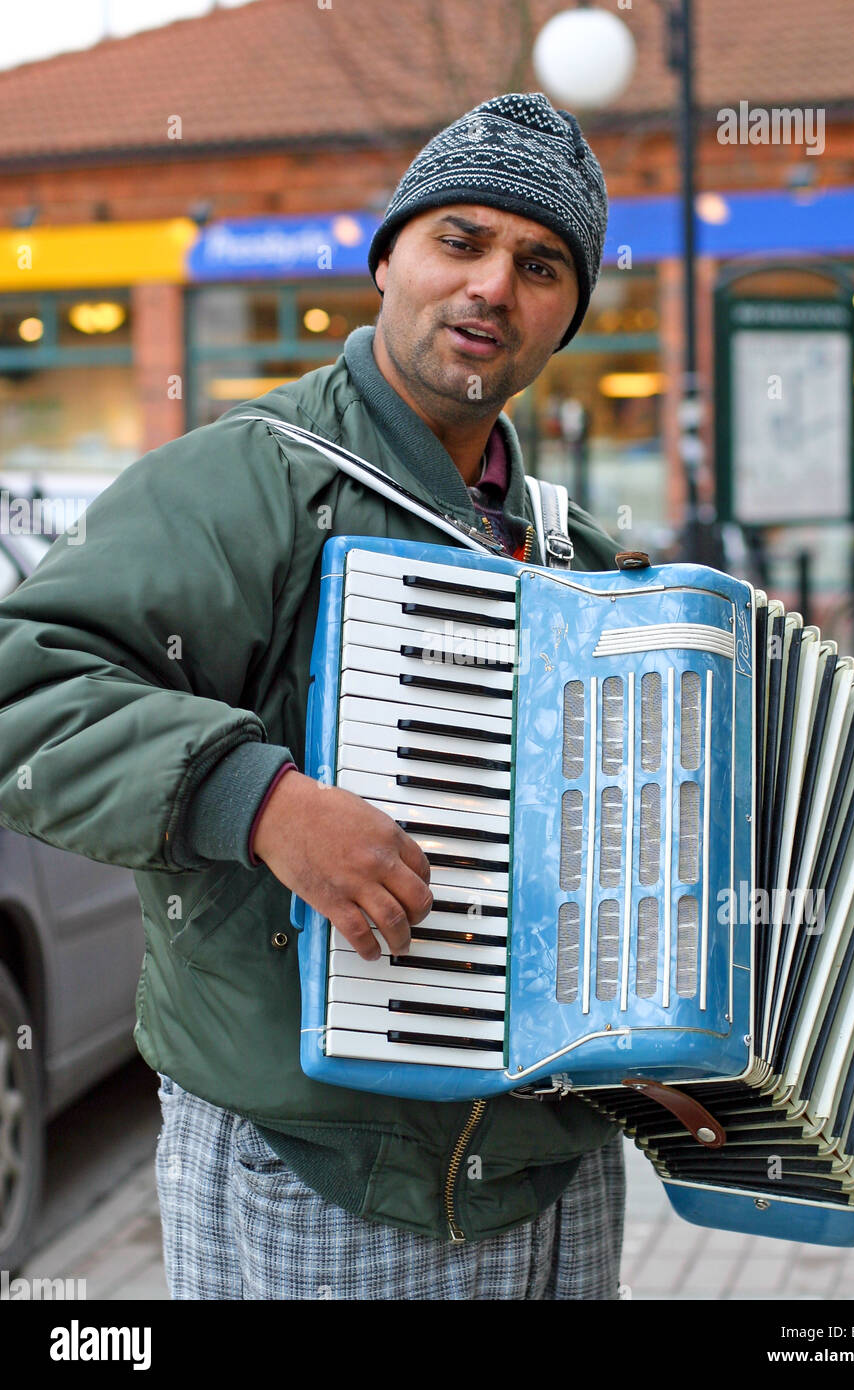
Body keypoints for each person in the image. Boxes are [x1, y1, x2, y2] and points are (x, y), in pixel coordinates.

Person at [0, 93, 630, 1300]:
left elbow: (633, 854)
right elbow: (24, 686)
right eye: (460, 240)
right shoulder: (246, 478)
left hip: (557, 1180)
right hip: (323, 1173)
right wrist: (261, 799)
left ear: (567, 314)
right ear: (386, 258)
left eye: (540, 264)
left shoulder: (578, 556)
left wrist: (810, 1010)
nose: (494, 284)